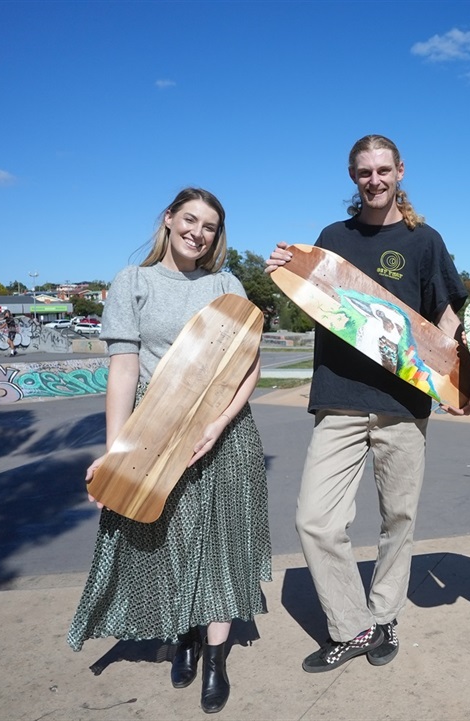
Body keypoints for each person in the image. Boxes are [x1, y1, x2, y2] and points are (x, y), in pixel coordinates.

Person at [265, 134, 470, 673]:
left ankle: (384, 618)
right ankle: (352, 625)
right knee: (315, 520)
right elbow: (314, 297)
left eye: (384, 170)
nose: (375, 180)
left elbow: (448, 313)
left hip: (402, 404)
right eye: (365, 172)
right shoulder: (331, 238)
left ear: (400, 171)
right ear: (352, 176)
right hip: (339, 399)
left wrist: (453, 376)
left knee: (397, 518)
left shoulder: (423, 240)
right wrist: (284, 274)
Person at [68, 188, 271, 715]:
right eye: (189, 220)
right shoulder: (132, 282)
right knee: (167, 540)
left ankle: (216, 658)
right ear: (169, 219)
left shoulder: (226, 284)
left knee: (220, 544)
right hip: (155, 435)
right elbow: (123, 369)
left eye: (208, 226)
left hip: (223, 436)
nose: (197, 233)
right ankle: (183, 633)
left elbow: (249, 368)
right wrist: (117, 452)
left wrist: (219, 424)